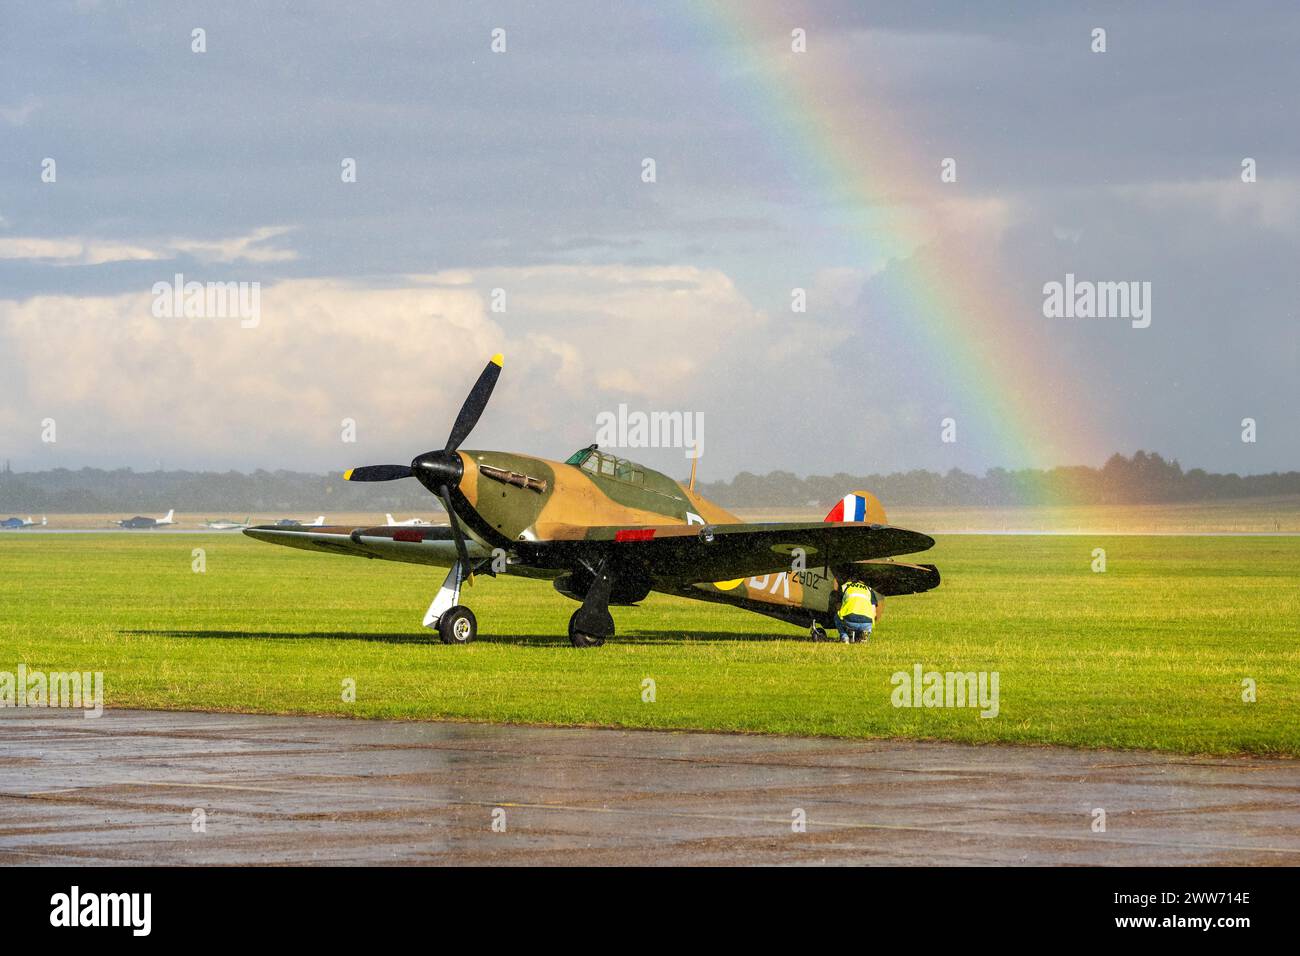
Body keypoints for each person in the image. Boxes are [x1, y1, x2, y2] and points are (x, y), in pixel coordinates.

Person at [834, 574, 879, 643]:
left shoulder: (844, 587)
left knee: (837, 617)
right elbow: (874, 611)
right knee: (864, 625)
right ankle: (864, 633)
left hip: (850, 620)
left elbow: (838, 607)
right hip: (867, 623)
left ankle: (844, 637)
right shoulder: (869, 589)